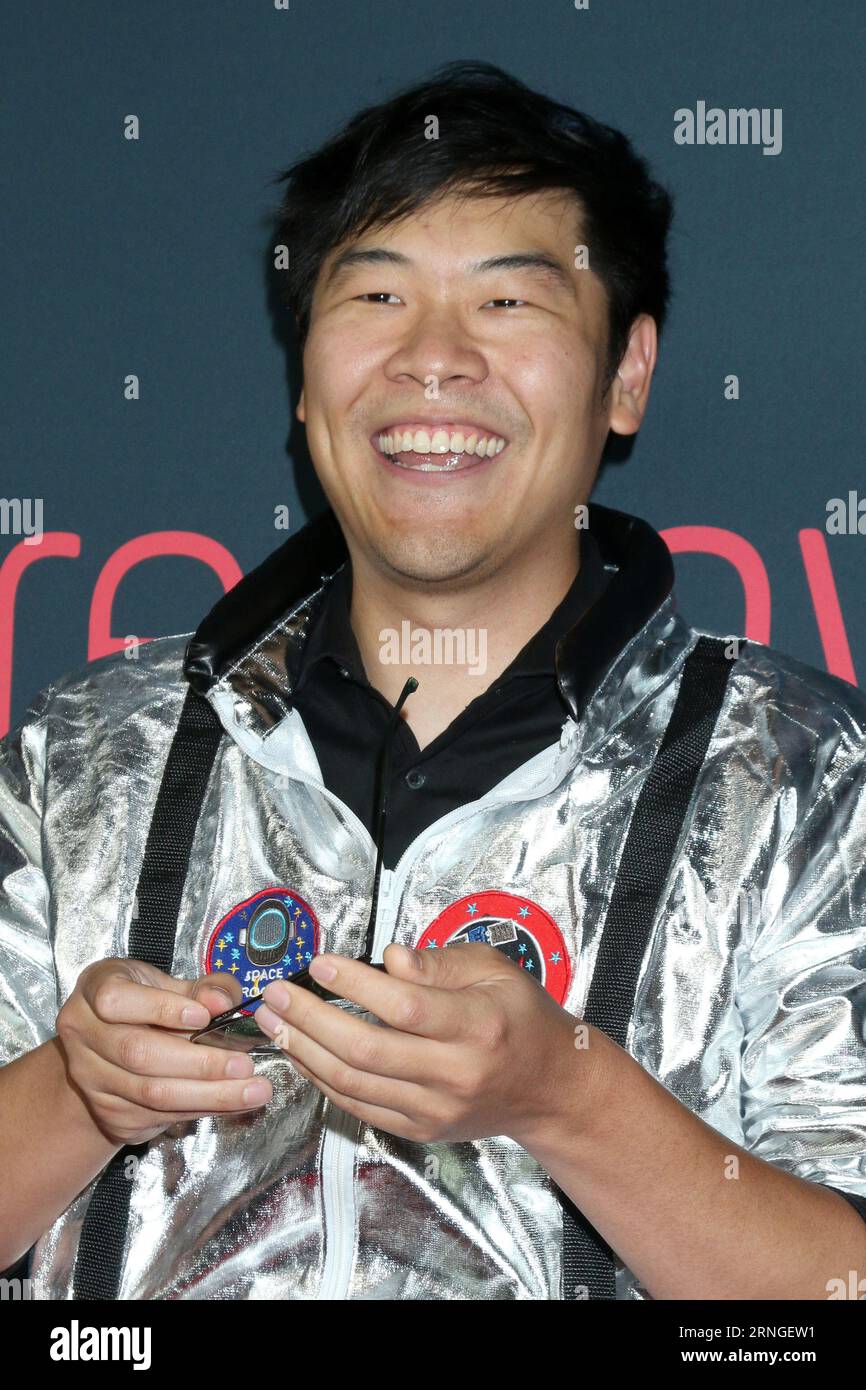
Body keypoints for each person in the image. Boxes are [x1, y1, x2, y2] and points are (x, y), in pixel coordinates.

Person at [1, 60, 865, 1302]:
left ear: (625, 374)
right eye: (375, 296)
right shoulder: (86, 750)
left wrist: (570, 1097)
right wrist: (79, 1089)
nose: (433, 361)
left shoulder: (797, 772)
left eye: (507, 302)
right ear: (303, 378)